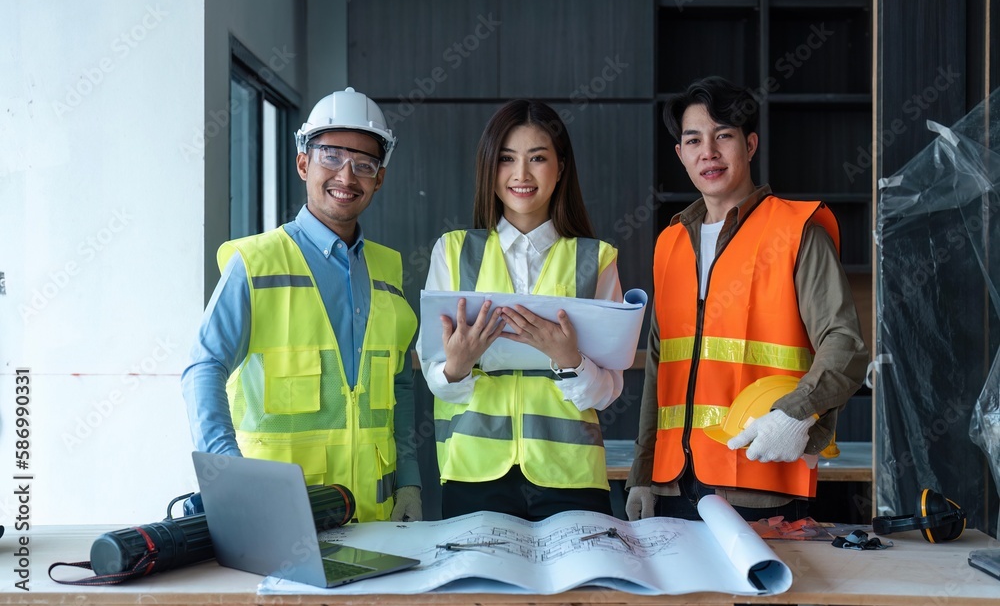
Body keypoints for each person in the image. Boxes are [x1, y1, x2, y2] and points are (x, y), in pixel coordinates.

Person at [625, 76, 869, 522]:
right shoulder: (671, 243)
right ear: (680, 154)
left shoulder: (797, 231)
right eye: (694, 139)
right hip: (674, 483)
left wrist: (795, 415)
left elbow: (846, 345)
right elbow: (660, 367)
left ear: (750, 145)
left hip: (760, 477)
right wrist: (643, 471)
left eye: (724, 136)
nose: (709, 152)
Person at [181, 87, 421, 523]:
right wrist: (230, 478)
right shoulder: (256, 264)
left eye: (364, 165)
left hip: (375, 519)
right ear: (303, 163)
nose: (346, 177)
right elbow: (203, 367)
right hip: (278, 517)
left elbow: (399, 384)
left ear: (379, 178)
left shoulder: (387, 270)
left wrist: (408, 481)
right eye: (331, 156)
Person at [418, 100, 624, 520]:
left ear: (561, 167)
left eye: (538, 159)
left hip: (571, 476)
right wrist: (457, 366)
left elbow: (606, 393)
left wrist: (570, 361)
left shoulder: (595, 258)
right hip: (473, 471)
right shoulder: (453, 252)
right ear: (489, 167)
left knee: (578, 590)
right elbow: (436, 378)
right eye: (507, 159)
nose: (521, 175)